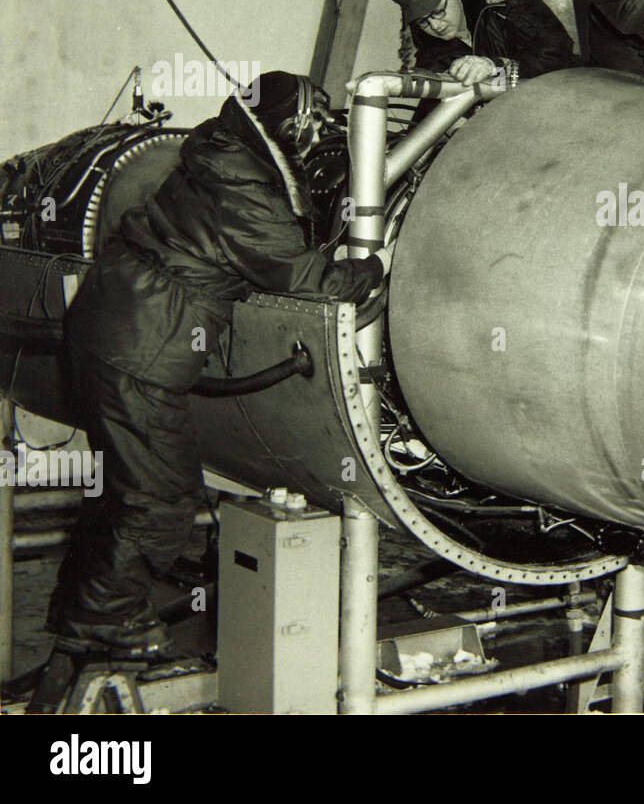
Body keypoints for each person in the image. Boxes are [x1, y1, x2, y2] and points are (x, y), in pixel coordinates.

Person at [47, 71, 393, 657]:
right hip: (144, 346)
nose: (314, 138)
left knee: (123, 490)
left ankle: (80, 610)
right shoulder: (248, 187)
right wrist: (374, 267)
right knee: (161, 496)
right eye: (308, 126)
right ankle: (102, 619)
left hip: (112, 326)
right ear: (283, 126)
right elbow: (307, 278)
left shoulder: (219, 155)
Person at [386, 0, 574, 116]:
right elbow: (435, 109)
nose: (435, 25)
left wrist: (497, 66)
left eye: (437, 12)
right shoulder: (430, 54)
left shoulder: (510, 3)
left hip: (565, 104)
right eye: (423, 21)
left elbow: (558, 51)